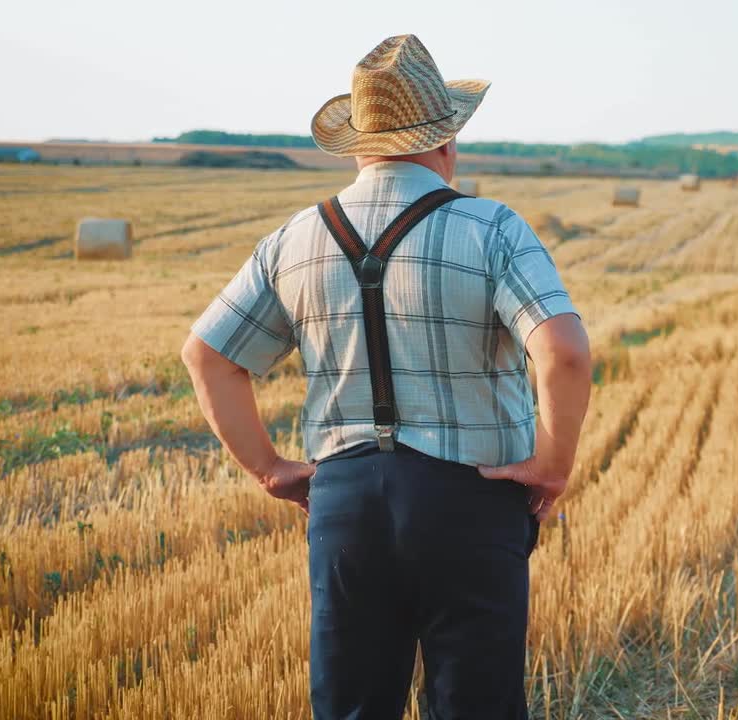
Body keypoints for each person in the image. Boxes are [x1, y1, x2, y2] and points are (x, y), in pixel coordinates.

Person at [181, 34, 591, 720]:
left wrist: (270, 469)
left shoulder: (297, 238)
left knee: (352, 706)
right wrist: (553, 465)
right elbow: (566, 352)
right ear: (447, 141)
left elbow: (208, 355)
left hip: (343, 502)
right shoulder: (491, 228)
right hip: (471, 500)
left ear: (359, 146)